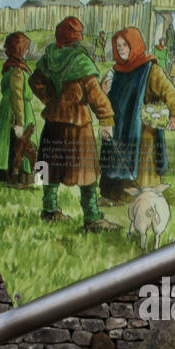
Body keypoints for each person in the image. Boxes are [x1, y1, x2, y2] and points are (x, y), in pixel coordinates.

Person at [28, 16, 117, 231]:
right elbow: (95, 94)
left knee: (49, 167)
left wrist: (50, 98)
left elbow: (35, 81)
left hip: (53, 123)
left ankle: (48, 209)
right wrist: (105, 119)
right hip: (77, 125)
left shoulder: (49, 56)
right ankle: (92, 217)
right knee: (86, 171)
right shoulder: (80, 60)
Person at [99, 27, 175, 202]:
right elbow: (104, 95)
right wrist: (103, 89)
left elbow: (169, 91)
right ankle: (113, 195)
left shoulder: (150, 69)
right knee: (115, 161)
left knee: (141, 168)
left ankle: (142, 197)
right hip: (118, 127)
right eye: (118, 45)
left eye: (125, 44)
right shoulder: (115, 71)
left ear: (135, 44)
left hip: (140, 130)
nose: (121, 48)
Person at [0, 38, 36, 187]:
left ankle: (11, 177)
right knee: (18, 144)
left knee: (14, 144)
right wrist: (20, 122)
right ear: (19, 50)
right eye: (25, 48)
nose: (27, 51)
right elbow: (17, 97)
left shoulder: (12, 67)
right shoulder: (16, 71)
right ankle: (16, 179)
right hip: (15, 112)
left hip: (9, 110)